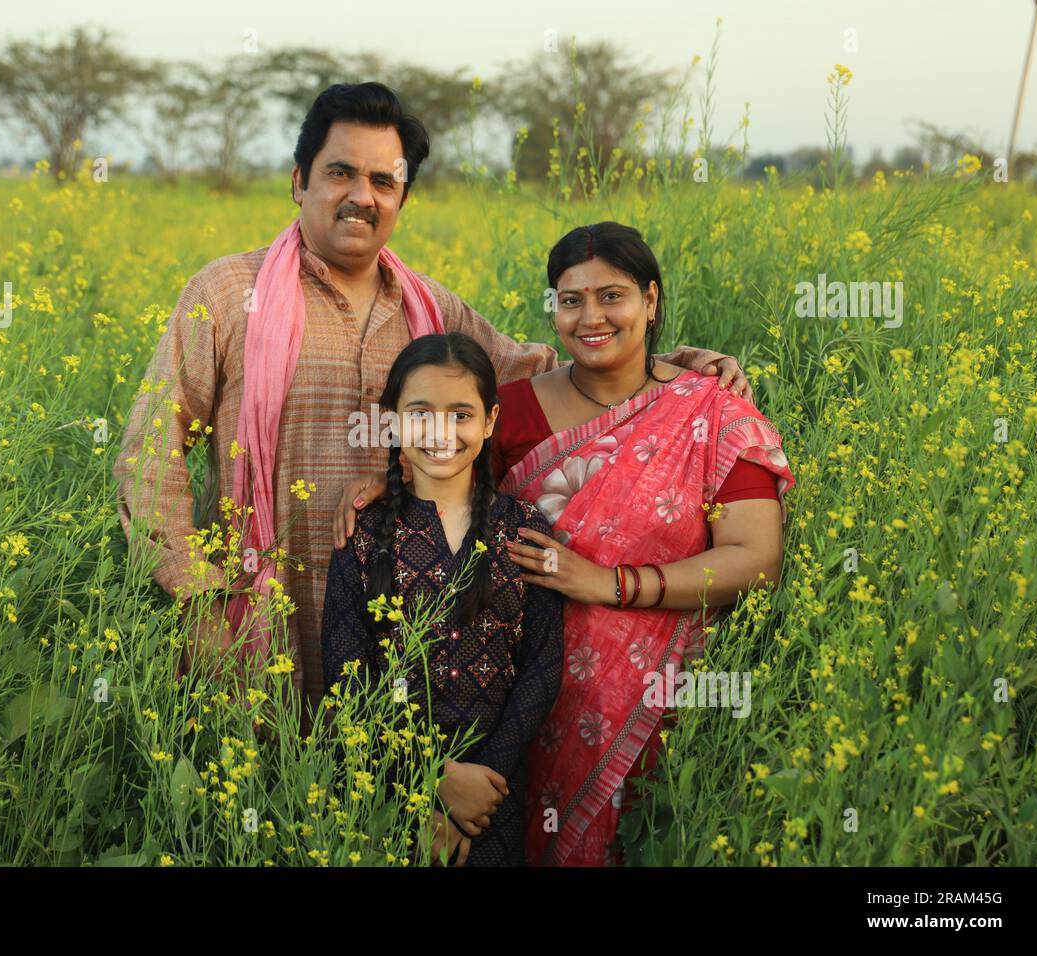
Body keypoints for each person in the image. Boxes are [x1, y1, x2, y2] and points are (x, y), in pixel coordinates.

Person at [114, 80, 752, 715]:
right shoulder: (229, 295)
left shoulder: (432, 310)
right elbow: (150, 450)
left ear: (402, 198)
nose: (361, 197)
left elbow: (548, 372)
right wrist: (196, 599)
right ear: (298, 181)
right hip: (252, 631)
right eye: (340, 173)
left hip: (400, 654)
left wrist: (665, 366)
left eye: (383, 181)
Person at [338, 222, 796, 867]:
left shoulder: (713, 414)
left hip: (654, 705)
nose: (591, 317)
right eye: (570, 299)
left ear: (652, 301)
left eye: (613, 296)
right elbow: (440, 486)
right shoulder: (515, 409)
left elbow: (756, 560)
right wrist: (376, 485)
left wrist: (609, 584)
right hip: (507, 708)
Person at [321, 332, 562, 866]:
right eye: (420, 413)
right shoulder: (361, 534)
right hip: (381, 781)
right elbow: (347, 674)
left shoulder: (525, 530)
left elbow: (541, 671)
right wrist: (431, 778)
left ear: (491, 422)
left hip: (492, 795)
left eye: (461, 414)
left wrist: (478, 788)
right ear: (391, 421)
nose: (440, 432)